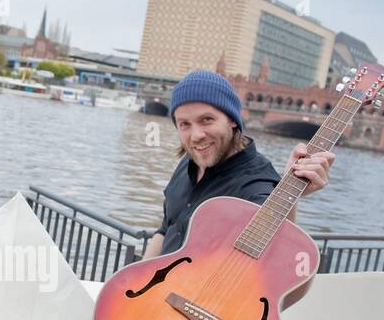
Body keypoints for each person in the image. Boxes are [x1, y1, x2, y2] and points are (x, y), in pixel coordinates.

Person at [143, 69, 334, 259]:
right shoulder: (188, 161)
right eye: (185, 124)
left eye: (207, 120)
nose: (196, 135)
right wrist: (134, 280)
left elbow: (273, 256)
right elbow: (166, 228)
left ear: (233, 120)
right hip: (155, 287)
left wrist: (290, 189)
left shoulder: (257, 182)